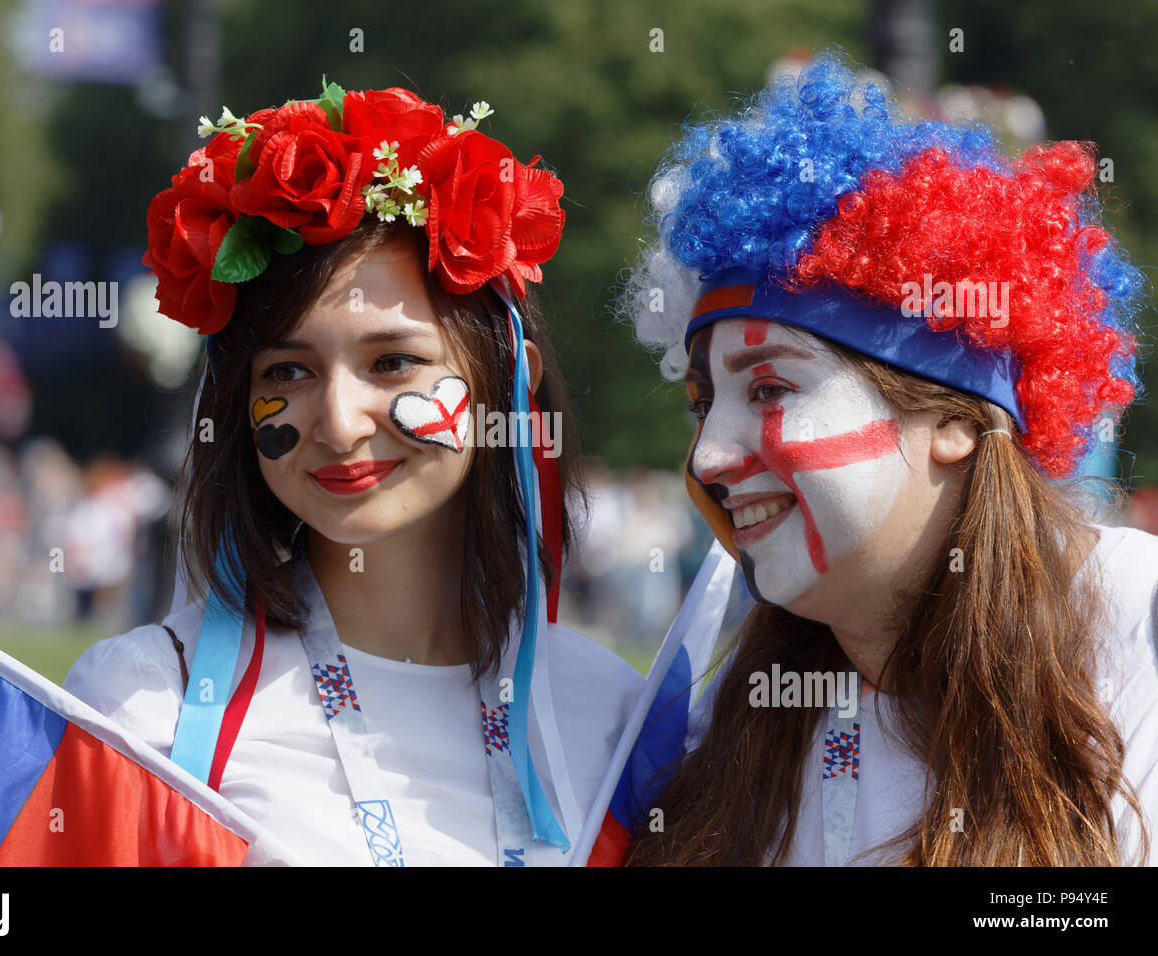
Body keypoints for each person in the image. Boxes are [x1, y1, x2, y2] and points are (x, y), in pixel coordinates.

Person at [65, 83, 641, 866]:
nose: (337, 423)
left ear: (510, 385)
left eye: (393, 361)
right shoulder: (144, 704)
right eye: (289, 372)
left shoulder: (616, 716)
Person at [615, 53, 1157, 866]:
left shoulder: (1138, 627)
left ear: (950, 419)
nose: (711, 456)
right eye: (702, 407)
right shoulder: (710, 724)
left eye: (768, 389)